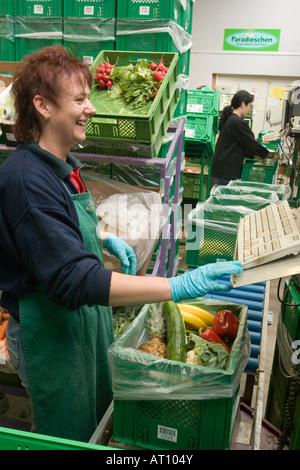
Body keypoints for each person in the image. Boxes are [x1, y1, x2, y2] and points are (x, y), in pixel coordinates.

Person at [0, 46, 243, 442]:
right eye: (79, 100)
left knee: (95, 423)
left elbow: (56, 229)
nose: (90, 109)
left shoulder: (61, 169)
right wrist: (178, 286)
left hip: (78, 324)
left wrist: (102, 236)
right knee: (69, 433)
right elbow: (75, 280)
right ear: (42, 106)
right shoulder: (27, 181)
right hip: (50, 332)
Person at [211, 90, 273, 186]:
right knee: (225, 200)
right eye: (249, 106)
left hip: (222, 172)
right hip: (225, 174)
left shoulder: (232, 119)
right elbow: (251, 143)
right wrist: (268, 154)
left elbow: (242, 144)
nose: (249, 110)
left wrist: (254, 155)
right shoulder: (237, 122)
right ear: (243, 104)